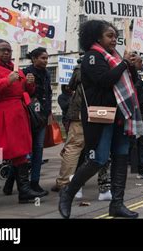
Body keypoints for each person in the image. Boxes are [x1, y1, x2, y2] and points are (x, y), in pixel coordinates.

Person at [58, 19, 142, 219]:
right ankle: (68, 193)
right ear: (97, 37)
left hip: (121, 116)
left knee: (121, 158)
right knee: (98, 159)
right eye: (110, 36)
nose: (114, 40)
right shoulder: (92, 57)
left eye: (116, 36)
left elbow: (134, 84)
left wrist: (131, 67)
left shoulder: (115, 57)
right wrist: (124, 64)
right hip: (101, 116)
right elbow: (105, 81)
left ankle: (117, 204)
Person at [0, 40, 46, 206]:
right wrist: (7, 80)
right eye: (3, 50)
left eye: (9, 50)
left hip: (17, 117)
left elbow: (26, 91)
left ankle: (24, 191)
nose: (7, 53)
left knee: (20, 154)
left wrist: (29, 83)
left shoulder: (15, 69)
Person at [24, 47, 52, 196]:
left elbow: (48, 93)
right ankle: (12, 180)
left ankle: (34, 182)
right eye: (43, 58)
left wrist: (48, 113)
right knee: (24, 151)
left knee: (38, 149)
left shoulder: (47, 73)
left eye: (47, 58)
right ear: (34, 59)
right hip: (29, 116)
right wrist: (28, 84)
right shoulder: (26, 73)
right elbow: (23, 93)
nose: (46, 61)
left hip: (42, 117)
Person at [52, 63, 84, 192]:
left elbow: (72, 84)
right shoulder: (113, 63)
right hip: (104, 114)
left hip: (81, 114)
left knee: (73, 147)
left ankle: (65, 182)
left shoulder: (81, 67)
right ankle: (105, 185)